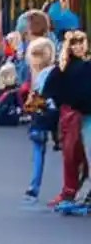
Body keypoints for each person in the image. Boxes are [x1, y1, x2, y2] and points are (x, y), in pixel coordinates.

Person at [42, 30, 91, 205]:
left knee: (84, 155)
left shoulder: (85, 66)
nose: (78, 46)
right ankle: (71, 191)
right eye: (74, 43)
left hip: (84, 116)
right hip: (70, 116)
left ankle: (78, 191)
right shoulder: (62, 68)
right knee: (71, 155)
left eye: (81, 42)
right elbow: (47, 90)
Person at [23, 38, 58, 204]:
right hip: (54, 117)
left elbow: (35, 100)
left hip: (40, 119)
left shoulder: (38, 76)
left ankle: (34, 187)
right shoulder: (55, 72)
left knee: (38, 152)